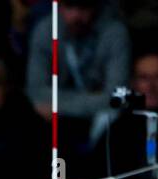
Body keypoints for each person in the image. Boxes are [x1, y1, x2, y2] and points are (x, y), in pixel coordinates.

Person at [26, 0, 131, 154]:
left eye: (83, 7)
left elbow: (117, 97)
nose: (76, 15)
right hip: (56, 121)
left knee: (113, 118)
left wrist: (56, 106)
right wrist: (94, 99)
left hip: (99, 120)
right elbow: (36, 92)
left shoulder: (115, 33)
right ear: (59, 7)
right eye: (69, 6)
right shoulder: (45, 30)